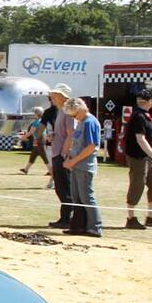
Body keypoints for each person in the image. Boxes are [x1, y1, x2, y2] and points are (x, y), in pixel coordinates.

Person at [123, 89, 152, 229]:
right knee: (137, 185)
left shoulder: (145, 115)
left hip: (148, 158)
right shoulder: (139, 117)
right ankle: (131, 218)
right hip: (138, 158)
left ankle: (151, 216)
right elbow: (140, 140)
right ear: (149, 101)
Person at [63, 98, 102, 237]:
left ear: (81, 109)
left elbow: (91, 146)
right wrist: (69, 157)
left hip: (85, 166)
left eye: (74, 115)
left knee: (86, 197)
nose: (73, 118)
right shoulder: (80, 122)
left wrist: (74, 161)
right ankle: (78, 226)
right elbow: (77, 143)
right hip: (76, 165)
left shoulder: (90, 122)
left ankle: (95, 227)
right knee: (76, 197)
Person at [45, 83, 75, 228]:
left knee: (65, 188)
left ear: (62, 96)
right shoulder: (61, 111)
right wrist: (54, 135)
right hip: (57, 152)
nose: (52, 97)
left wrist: (65, 153)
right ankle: (65, 217)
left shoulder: (68, 111)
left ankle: (67, 218)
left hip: (62, 154)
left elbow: (71, 134)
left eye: (55, 95)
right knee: (60, 188)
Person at [19, 106, 48, 174]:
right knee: (33, 155)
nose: (33, 114)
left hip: (38, 141)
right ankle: (26, 169)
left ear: (37, 113)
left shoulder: (36, 122)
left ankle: (51, 170)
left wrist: (23, 137)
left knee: (44, 156)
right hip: (38, 140)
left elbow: (31, 132)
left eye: (34, 113)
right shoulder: (43, 121)